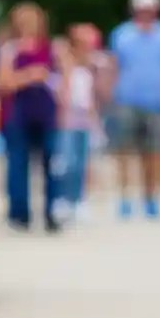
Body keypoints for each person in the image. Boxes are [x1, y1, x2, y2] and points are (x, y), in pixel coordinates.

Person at [108, 0, 160, 219]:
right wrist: (109, 95)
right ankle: (125, 197)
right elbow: (114, 66)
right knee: (124, 150)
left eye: (149, 9)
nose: (146, 13)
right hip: (126, 99)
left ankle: (151, 196)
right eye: (142, 9)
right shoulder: (122, 34)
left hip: (156, 101)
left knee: (155, 152)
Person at [0, 2, 60, 232]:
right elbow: (3, 83)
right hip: (19, 113)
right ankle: (19, 213)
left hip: (46, 112)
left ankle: (51, 211)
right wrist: (30, 76)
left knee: (51, 163)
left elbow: (63, 82)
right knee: (18, 164)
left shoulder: (52, 48)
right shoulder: (10, 50)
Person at [54, 24, 102, 222]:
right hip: (67, 119)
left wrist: (95, 122)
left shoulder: (90, 68)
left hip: (84, 120)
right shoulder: (65, 64)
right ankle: (62, 198)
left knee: (82, 163)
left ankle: (79, 199)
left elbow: (91, 97)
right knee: (66, 162)